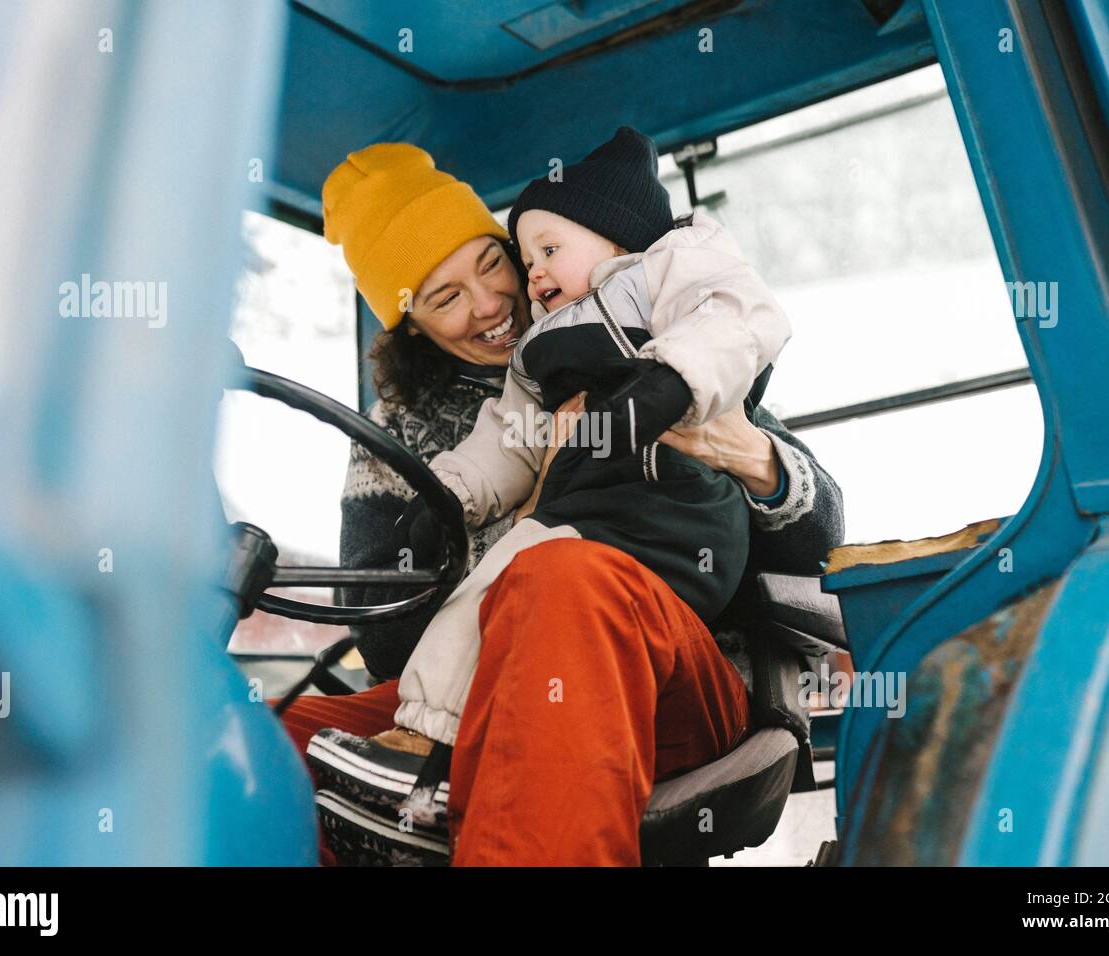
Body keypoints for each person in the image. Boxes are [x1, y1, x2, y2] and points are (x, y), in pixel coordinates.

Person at [270, 137, 845, 866]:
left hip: (675, 671)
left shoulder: (655, 330)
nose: (491, 303)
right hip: (460, 685)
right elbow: (386, 644)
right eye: (446, 297)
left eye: (493, 263)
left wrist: (743, 452)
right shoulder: (404, 430)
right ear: (409, 324)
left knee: (559, 581)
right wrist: (518, 497)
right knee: (259, 740)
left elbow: (822, 537)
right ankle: (412, 791)